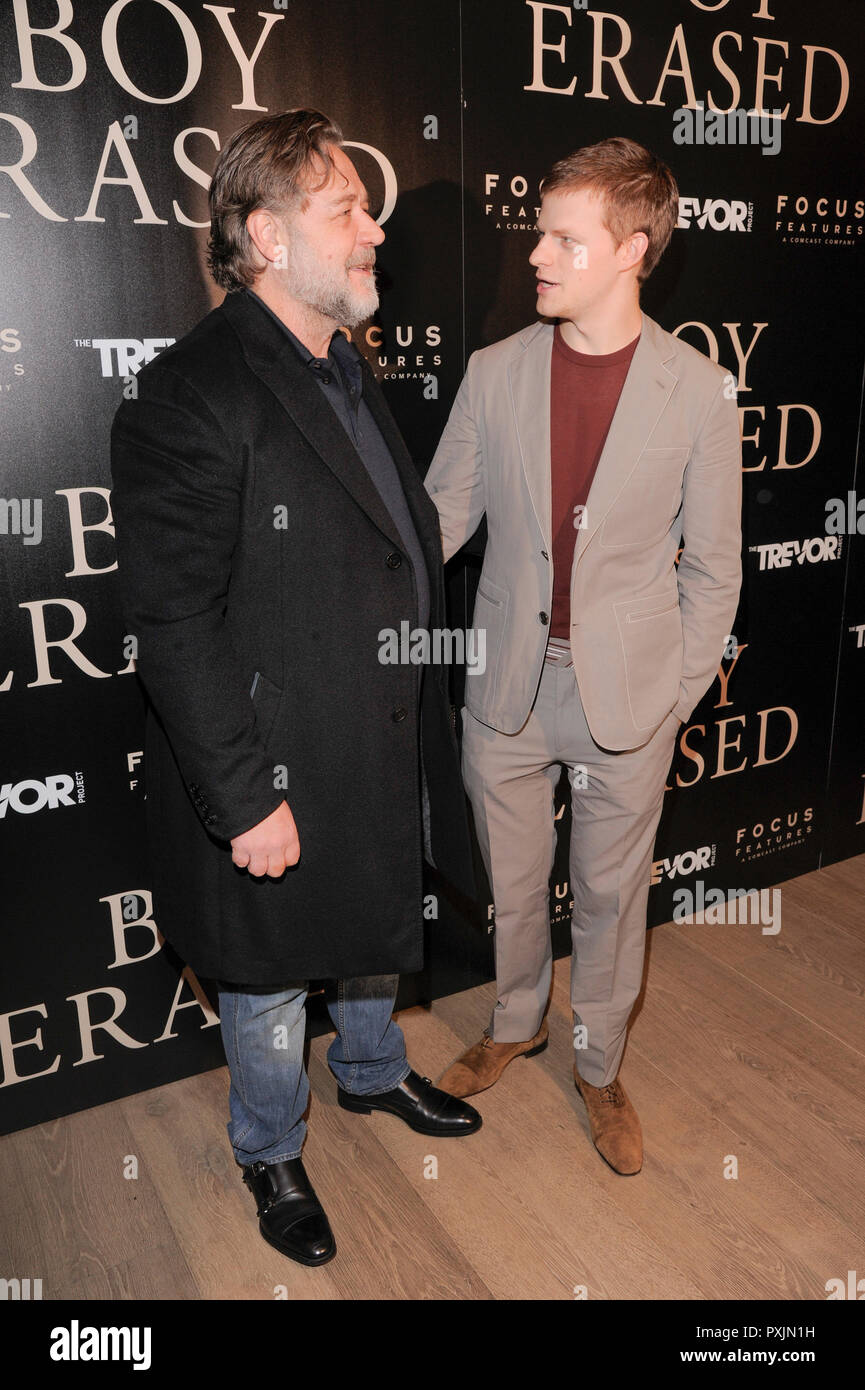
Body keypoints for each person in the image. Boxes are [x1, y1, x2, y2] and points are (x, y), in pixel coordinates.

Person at [110, 108, 480, 1267]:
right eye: (346, 209)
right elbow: (174, 620)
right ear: (267, 236)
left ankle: (370, 1073)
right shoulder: (192, 391)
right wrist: (242, 799)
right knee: (269, 979)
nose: (375, 228)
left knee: (371, 920)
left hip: (370, 728)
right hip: (272, 759)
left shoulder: (342, 362)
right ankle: (269, 1144)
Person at [425, 137, 742, 1175]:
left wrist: (672, 695)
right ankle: (516, 1021)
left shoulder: (698, 393)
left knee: (610, 898)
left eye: (565, 237)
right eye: (540, 231)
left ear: (632, 248)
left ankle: (600, 1066)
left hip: (628, 700)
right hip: (505, 693)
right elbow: (436, 524)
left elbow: (715, 571)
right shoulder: (491, 371)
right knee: (514, 889)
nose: (536, 254)